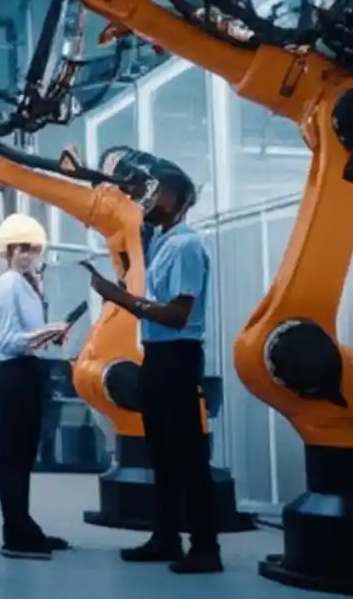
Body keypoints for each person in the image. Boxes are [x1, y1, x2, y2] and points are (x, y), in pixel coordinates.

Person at [83, 156, 222, 574]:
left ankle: (205, 548)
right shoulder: (162, 242)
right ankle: (165, 538)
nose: (149, 198)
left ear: (179, 198)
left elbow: (178, 314)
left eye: (157, 191)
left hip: (177, 356)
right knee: (161, 451)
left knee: (187, 455)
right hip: (159, 357)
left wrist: (119, 297)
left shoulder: (185, 246)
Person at [0, 213, 72, 560]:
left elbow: (25, 337)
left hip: (28, 372)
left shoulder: (27, 283)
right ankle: (16, 535)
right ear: (8, 251)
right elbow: (6, 342)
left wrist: (47, 334)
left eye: (32, 248)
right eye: (21, 248)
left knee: (23, 456)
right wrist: (42, 333)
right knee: (14, 458)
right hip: (15, 373)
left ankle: (24, 526)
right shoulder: (8, 284)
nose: (27, 254)